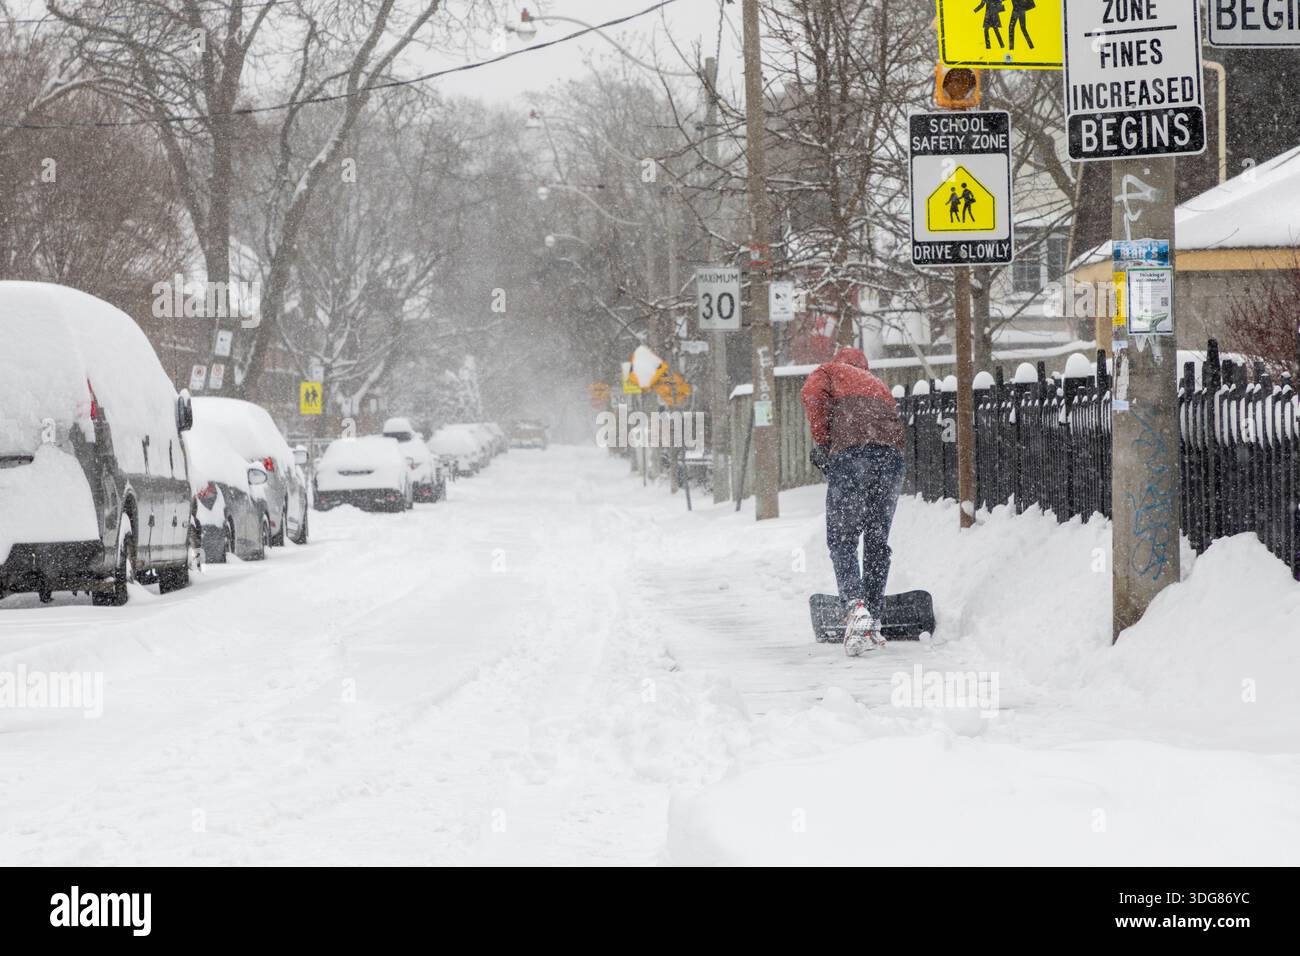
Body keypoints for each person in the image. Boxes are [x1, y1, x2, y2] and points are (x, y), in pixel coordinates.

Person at [800, 347, 906, 655]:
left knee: (842, 539)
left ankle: (855, 606)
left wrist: (821, 441)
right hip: (891, 461)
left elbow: (811, 394)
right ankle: (871, 617)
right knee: (876, 539)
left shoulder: (829, 371)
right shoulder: (879, 386)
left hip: (851, 455)